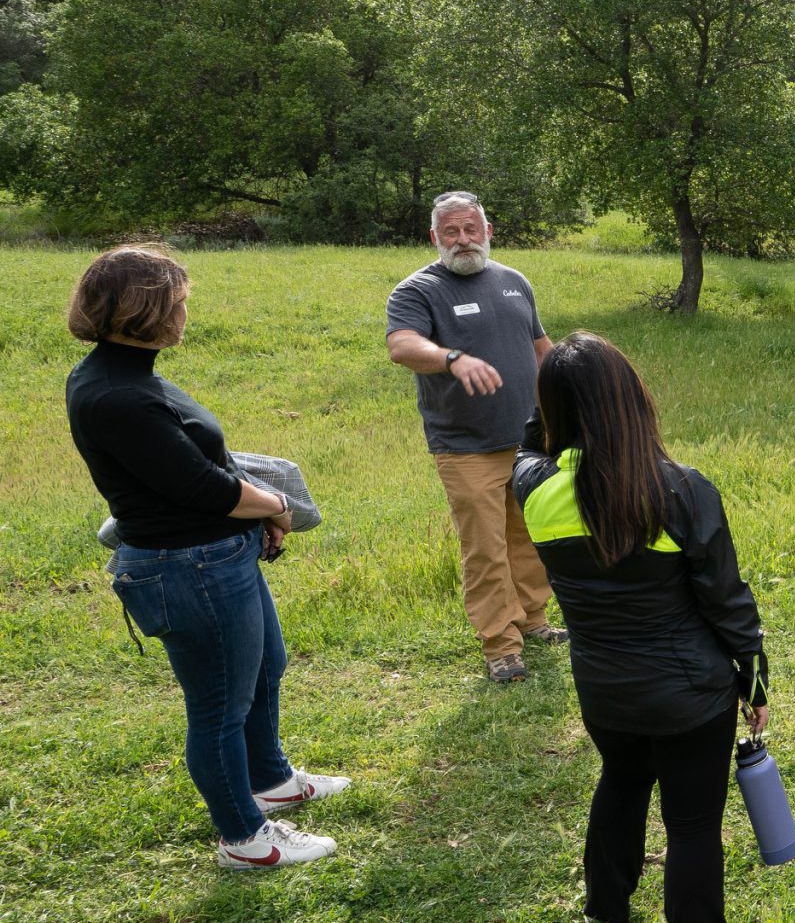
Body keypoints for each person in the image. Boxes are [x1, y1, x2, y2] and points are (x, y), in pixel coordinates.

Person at [65, 245, 348, 869]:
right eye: (179, 301)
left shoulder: (134, 372)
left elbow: (204, 460)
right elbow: (202, 487)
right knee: (219, 707)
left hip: (215, 554)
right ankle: (245, 839)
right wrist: (275, 504)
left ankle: (270, 780)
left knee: (265, 667)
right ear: (147, 309)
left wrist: (257, 519)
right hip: (186, 566)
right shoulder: (118, 395)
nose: (186, 312)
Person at [511, 333, 769, 923]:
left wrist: (555, 393)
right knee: (690, 825)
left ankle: (607, 905)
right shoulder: (681, 490)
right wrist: (756, 680)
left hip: (603, 689)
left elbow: (529, 444)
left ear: (555, 413)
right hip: (689, 694)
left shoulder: (532, 485)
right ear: (632, 400)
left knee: (621, 780)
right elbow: (727, 600)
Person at [385, 191, 561, 683]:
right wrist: (452, 358)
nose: (462, 240)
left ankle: (534, 619)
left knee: (528, 535)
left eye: (470, 230)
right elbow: (402, 345)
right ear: (434, 237)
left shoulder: (514, 281)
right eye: (451, 232)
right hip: (465, 447)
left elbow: (539, 345)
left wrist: (577, 388)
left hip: (529, 440)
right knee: (485, 548)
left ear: (487, 231)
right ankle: (501, 646)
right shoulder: (417, 290)